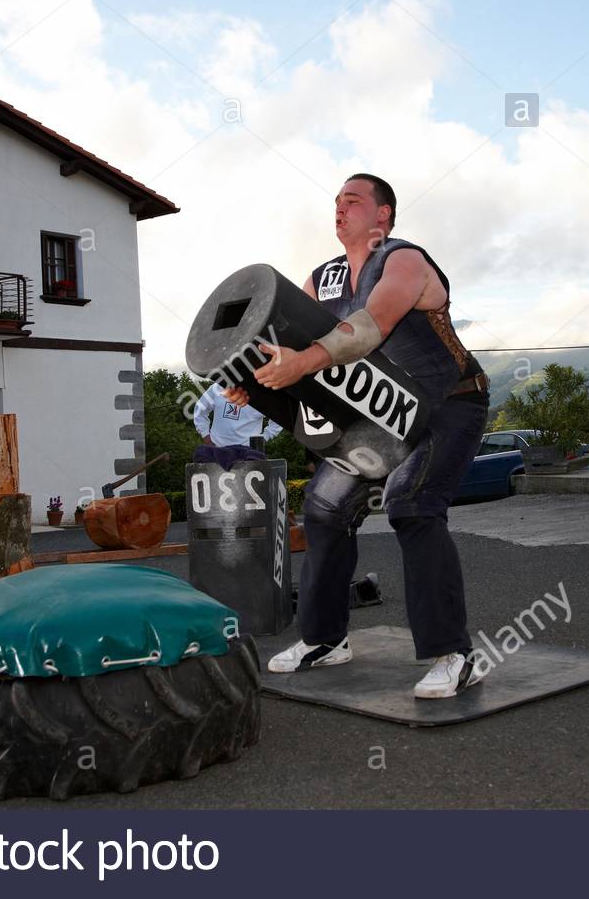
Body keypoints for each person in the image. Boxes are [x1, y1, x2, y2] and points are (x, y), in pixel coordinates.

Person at [226, 173, 490, 698]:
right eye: (337, 203)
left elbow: (369, 326)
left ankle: (456, 655)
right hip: (378, 419)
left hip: (448, 404)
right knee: (324, 512)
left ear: (384, 215)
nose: (340, 210)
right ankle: (325, 640)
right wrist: (257, 386)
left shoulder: (404, 261)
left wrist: (301, 360)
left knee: (412, 506)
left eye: (353, 201)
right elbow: (291, 345)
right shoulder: (320, 279)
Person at [192, 381, 282, 448]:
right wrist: (206, 436)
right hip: (216, 449)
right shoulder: (218, 387)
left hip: (249, 452)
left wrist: (264, 437)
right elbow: (199, 409)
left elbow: (279, 418)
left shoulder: (263, 394)